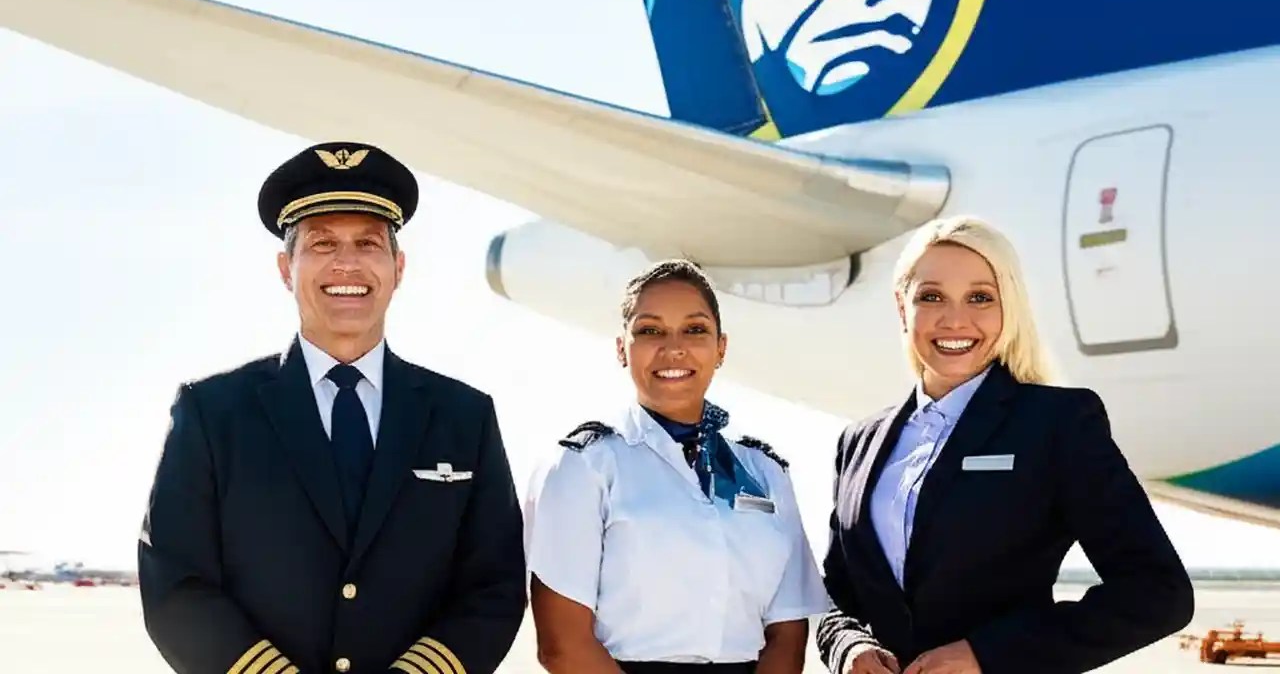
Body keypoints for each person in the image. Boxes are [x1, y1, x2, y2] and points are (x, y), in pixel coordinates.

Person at [137, 142, 527, 674]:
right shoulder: (212, 414)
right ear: (285, 267)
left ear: (398, 266)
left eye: (368, 243)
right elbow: (177, 582)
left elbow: (493, 586)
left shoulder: (464, 417)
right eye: (321, 244)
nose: (347, 262)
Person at [815, 215, 1194, 674]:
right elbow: (836, 594)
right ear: (902, 308)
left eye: (980, 298)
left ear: (1007, 308)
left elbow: (1158, 592)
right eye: (931, 297)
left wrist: (987, 655)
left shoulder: (1057, 423)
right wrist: (849, 648)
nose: (956, 319)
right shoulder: (858, 443)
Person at [524, 259, 831, 674]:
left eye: (695, 329)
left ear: (721, 348)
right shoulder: (584, 466)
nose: (674, 348)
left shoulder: (766, 473)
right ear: (621, 349)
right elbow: (562, 644)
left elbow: (788, 634)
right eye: (650, 331)